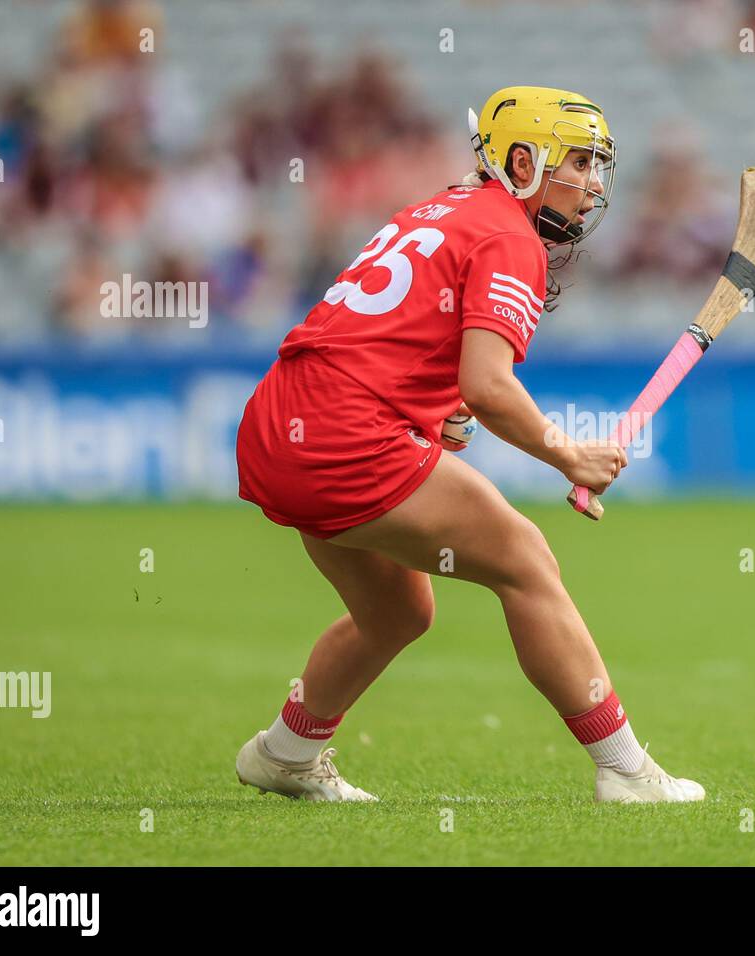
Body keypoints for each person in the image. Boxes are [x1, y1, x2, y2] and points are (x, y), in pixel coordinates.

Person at [233, 86, 705, 804]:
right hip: (343, 434)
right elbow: (487, 384)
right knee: (524, 559)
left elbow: (398, 342)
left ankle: (286, 752)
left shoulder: (441, 208)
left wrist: (430, 412)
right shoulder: (511, 237)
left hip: (279, 423)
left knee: (396, 612)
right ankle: (627, 770)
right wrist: (567, 454)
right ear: (524, 161)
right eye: (578, 162)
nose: (595, 183)